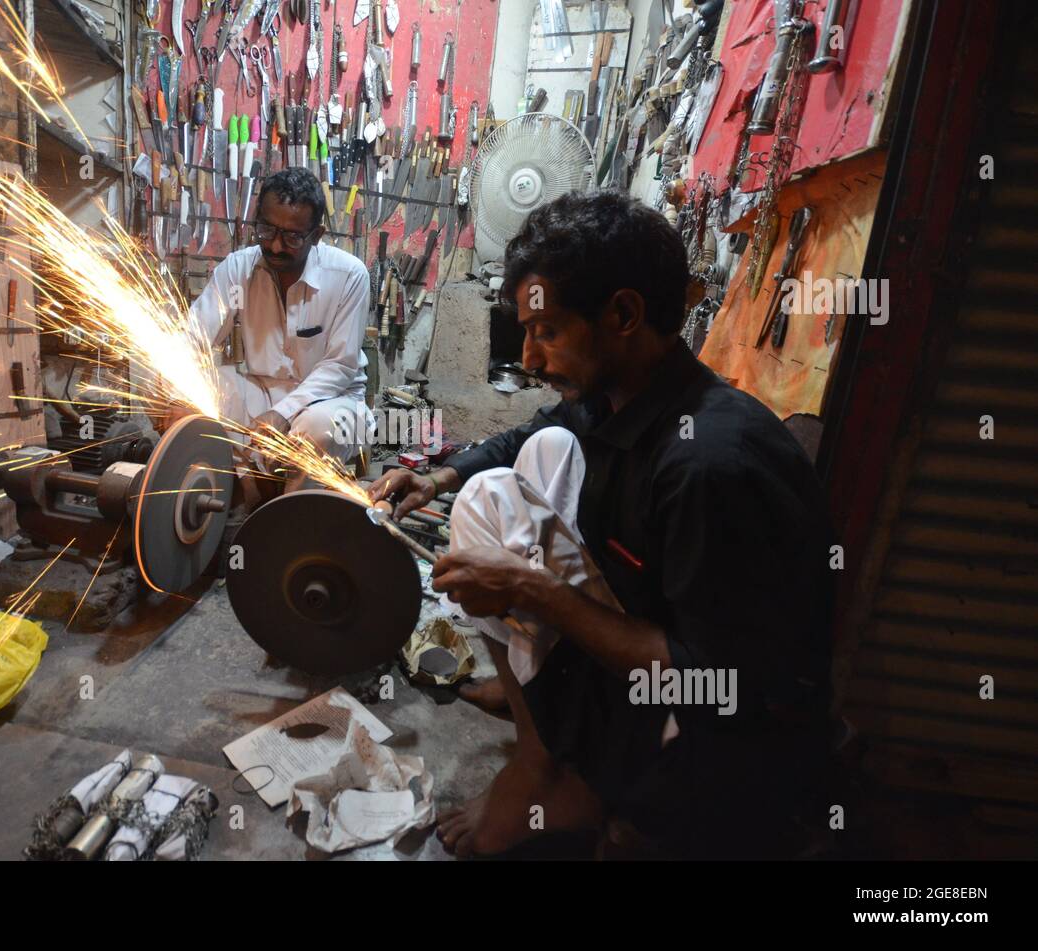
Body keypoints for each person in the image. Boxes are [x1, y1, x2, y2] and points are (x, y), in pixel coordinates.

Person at [370, 190, 834, 859]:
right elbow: (536, 430)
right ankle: (543, 730)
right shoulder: (625, 391)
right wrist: (439, 476)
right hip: (661, 662)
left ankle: (583, 784)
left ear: (623, 314)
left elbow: (709, 681)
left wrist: (531, 589)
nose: (529, 359)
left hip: (726, 737)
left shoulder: (707, 465)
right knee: (493, 493)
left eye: (548, 331)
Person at [190, 167, 373, 487]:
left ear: (316, 236)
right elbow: (194, 336)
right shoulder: (238, 269)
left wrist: (283, 413)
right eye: (266, 230)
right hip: (261, 394)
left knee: (317, 428)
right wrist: (177, 390)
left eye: (291, 237)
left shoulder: (349, 276)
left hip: (333, 402)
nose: (275, 246)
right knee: (206, 389)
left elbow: (339, 366)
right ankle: (236, 496)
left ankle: (289, 519)